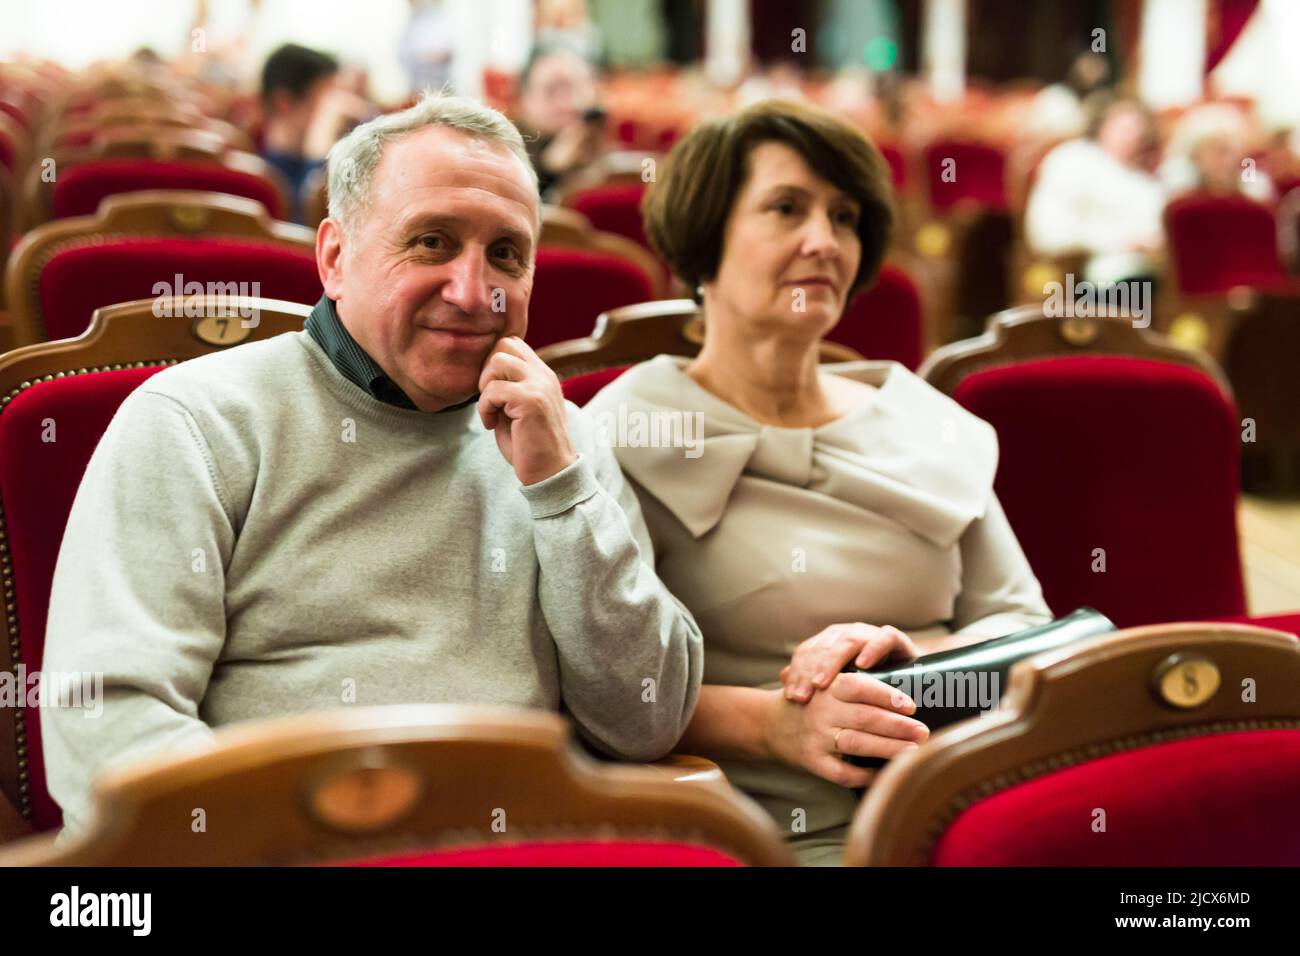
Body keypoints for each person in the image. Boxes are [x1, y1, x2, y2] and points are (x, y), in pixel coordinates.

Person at [41, 93, 703, 835]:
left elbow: (645, 721)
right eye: (431, 242)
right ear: (335, 257)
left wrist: (560, 494)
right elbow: (107, 728)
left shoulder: (562, 443)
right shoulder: (196, 423)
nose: (472, 290)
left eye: (506, 255)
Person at [583, 99, 1052, 865]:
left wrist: (920, 656)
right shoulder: (627, 426)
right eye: (786, 209)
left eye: (843, 217)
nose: (823, 242)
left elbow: (1028, 633)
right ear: (705, 241)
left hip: (964, 804)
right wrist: (778, 720)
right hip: (752, 830)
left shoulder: (918, 418)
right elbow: (605, 691)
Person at [1025, 95, 1166, 288]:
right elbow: (1049, 234)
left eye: (1140, 130)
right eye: (1125, 128)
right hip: (1091, 273)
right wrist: (1123, 241)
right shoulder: (1072, 161)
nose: (1133, 136)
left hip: (1151, 270)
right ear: (1102, 125)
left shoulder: (1147, 179)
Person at [259, 43, 372, 222]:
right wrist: (320, 148)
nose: (335, 109)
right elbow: (307, 230)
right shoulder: (258, 180)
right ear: (284, 102)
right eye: (326, 98)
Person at [514, 43, 605, 199]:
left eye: (575, 89)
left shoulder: (602, 143)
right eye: (552, 91)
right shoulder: (509, 154)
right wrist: (550, 172)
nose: (567, 103)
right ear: (524, 98)